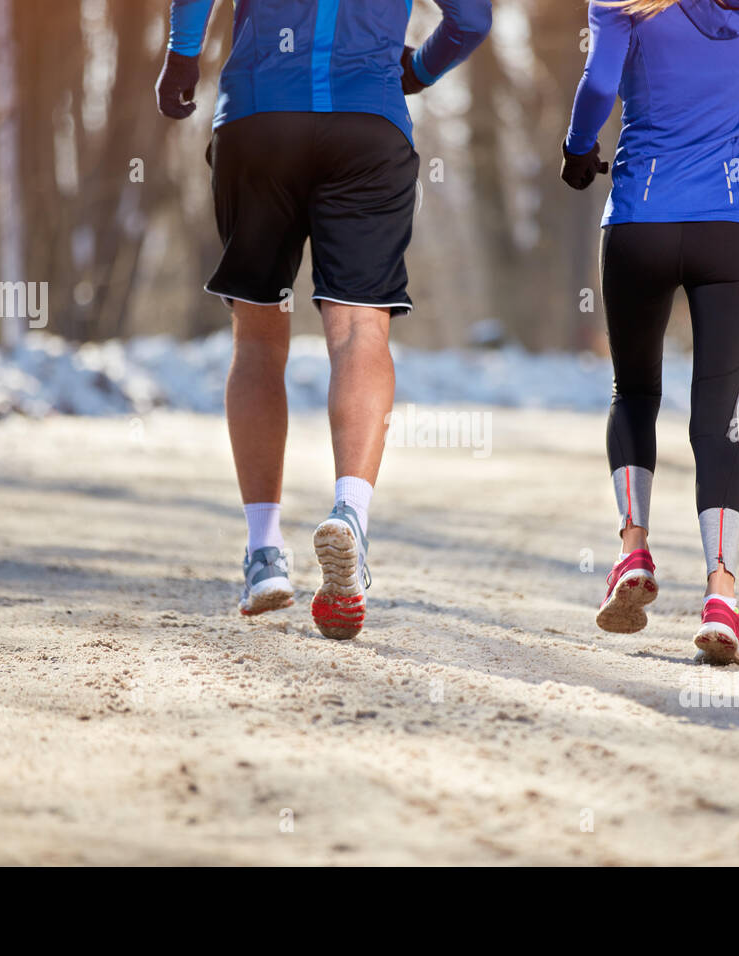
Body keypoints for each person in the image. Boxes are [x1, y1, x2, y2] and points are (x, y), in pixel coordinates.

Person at [156, 1, 492, 639]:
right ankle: (350, 515)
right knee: (360, 327)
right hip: (367, 125)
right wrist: (416, 71)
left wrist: (182, 54)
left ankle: (264, 554)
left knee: (257, 338)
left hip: (260, 119)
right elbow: (472, 18)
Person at [561, 0, 739, 663]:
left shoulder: (623, 2)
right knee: (716, 422)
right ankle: (721, 596)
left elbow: (600, 87)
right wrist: (735, 120)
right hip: (729, 231)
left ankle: (633, 551)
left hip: (640, 220)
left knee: (634, 392)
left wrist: (579, 152)